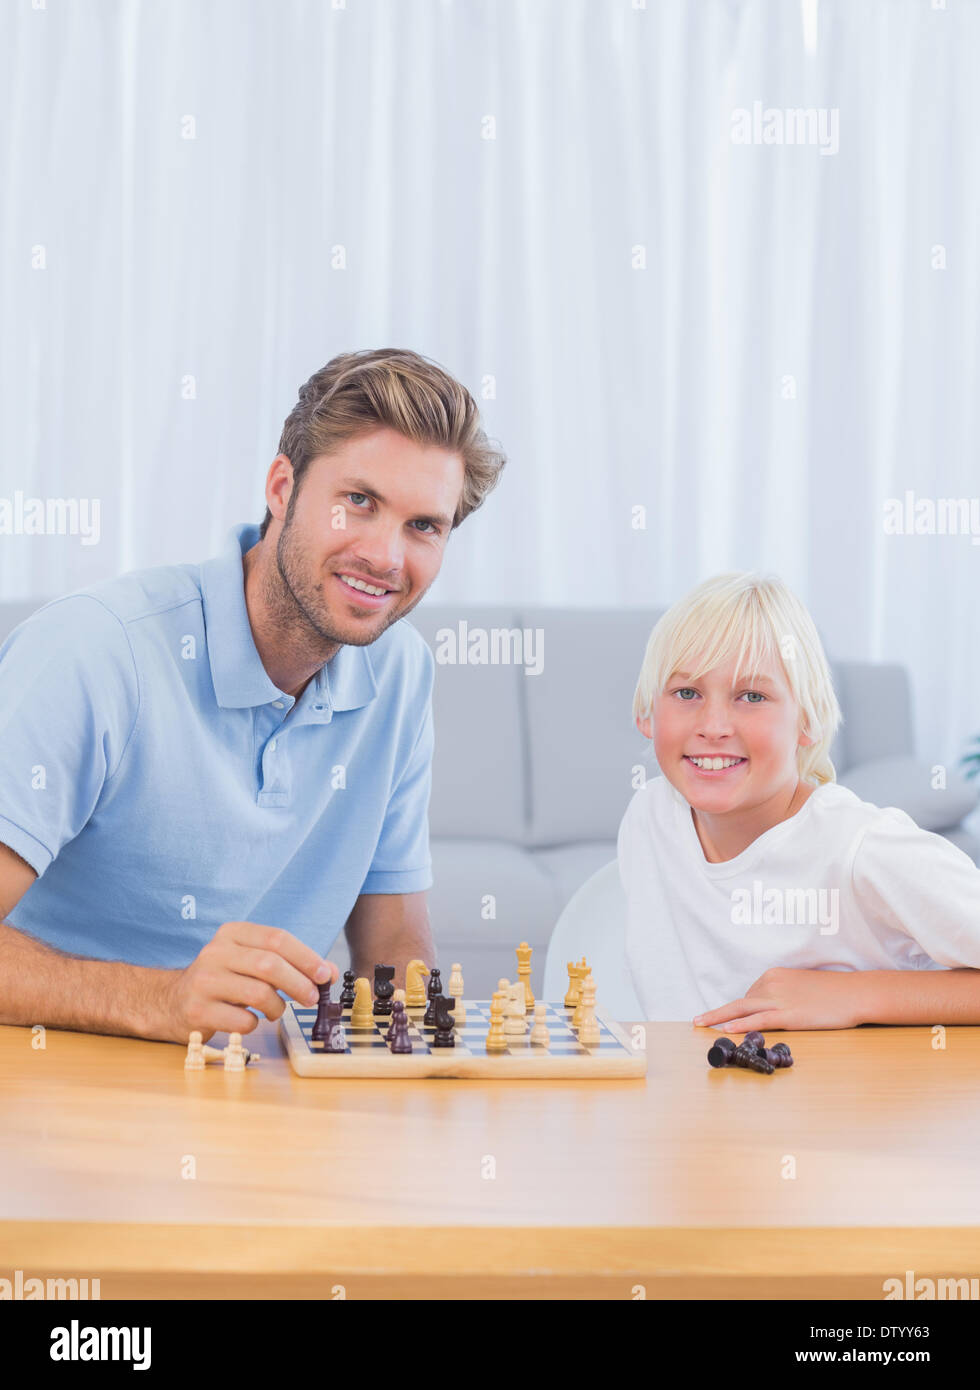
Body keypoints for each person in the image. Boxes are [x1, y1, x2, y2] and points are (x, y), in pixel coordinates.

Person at [0, 348, 504, 1044]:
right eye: (358, 501)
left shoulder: (400, 674)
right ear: (280, 487)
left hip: (254, 1102)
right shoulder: (96, 651)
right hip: (58, 1096)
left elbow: (395, 952)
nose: (386, 557)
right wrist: (160, 1000)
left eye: (424, 526)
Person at [618, 571, 980, 1029]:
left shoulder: (861, 849)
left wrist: (859, 995)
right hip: (698, 1098)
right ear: (647, 713)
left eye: (752, 696)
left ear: (806, 721)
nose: (713, 726)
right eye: (686, 692)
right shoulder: (649, 818)